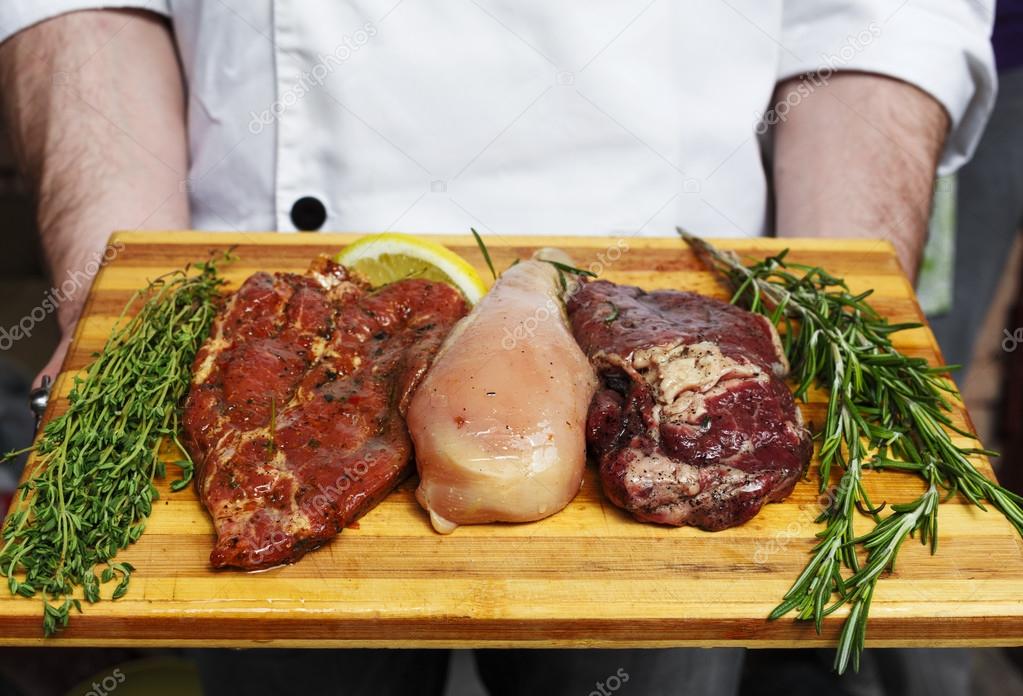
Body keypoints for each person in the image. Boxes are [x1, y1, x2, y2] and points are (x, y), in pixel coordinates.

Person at [0, 2, 997, 695]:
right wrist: (115, 301)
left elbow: (874, 17)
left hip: (671, 242)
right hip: (271, 233)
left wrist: (825, 337)